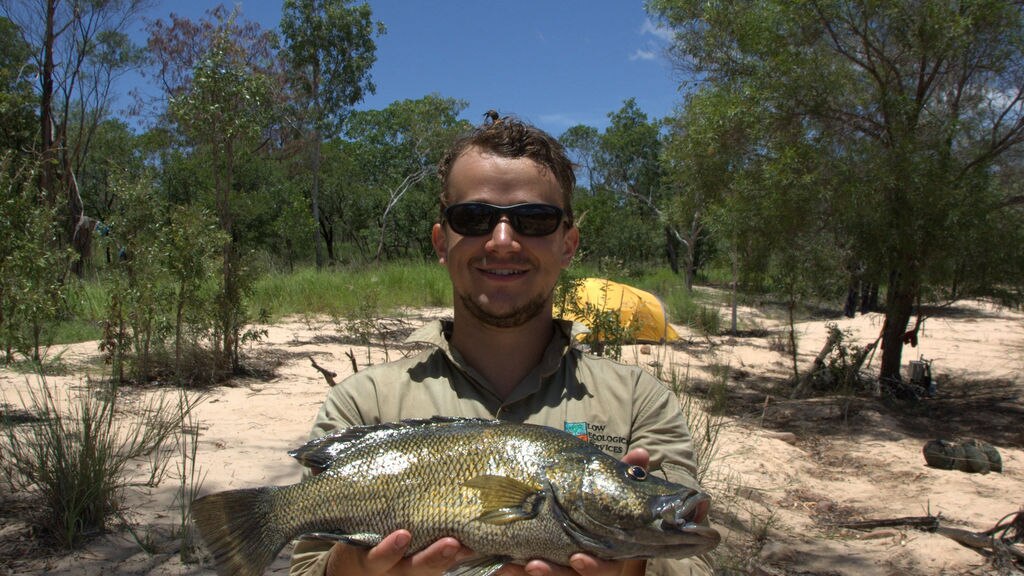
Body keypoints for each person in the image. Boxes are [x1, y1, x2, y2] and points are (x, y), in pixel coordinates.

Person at [289, 111, 714, 576]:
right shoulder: (363, 403)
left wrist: (633, 569)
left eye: (535, 219)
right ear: (441, 242)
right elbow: (307, 567)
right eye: (473, 218)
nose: (503, 241)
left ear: (568, 244)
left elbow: (691, 560)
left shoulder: (638, 403)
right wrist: (351, 570)